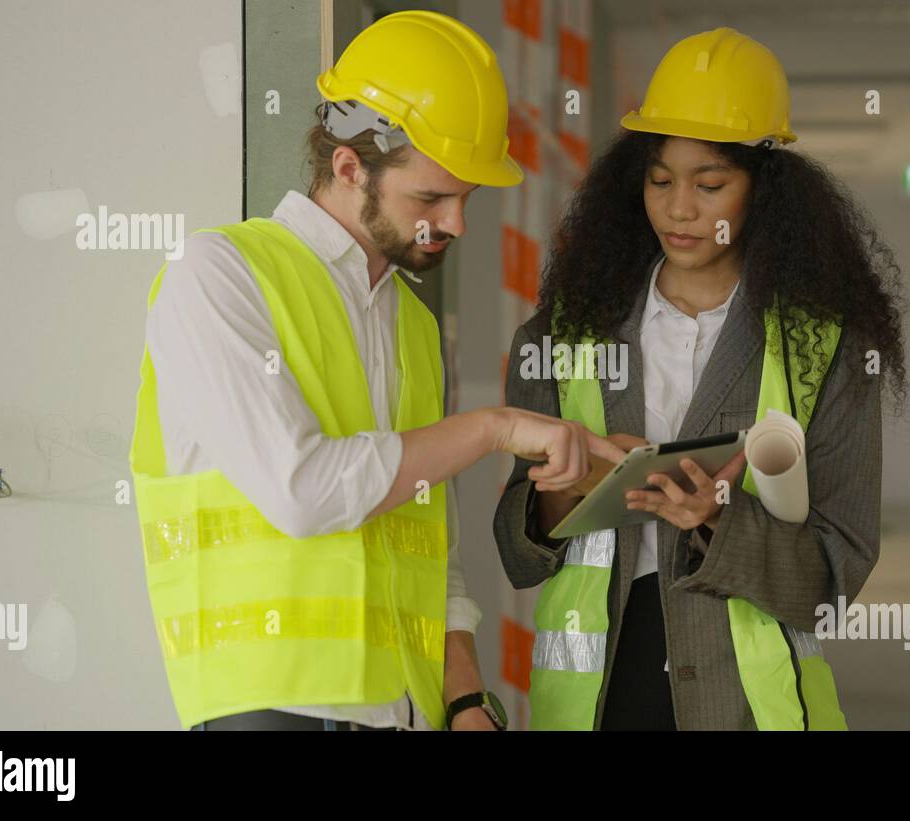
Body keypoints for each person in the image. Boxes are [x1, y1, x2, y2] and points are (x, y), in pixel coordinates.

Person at [128, 10, 614, 732]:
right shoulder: (219, 274)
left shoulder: (413, 326)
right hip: (270, 708)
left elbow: (427, 541)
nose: (455, 224)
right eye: (430, 198)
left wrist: (465, 696)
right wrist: (492, 427)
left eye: (466, 199)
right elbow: (303, 492)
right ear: (349, 166)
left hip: (405, 711)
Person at [493, 26, 908, 730]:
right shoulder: (561, 337)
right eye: (660, 180)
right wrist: (565, 489)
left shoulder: (826, 351)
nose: (678, 208)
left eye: (709, 184)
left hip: (748, 708)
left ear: (764, 191)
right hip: (597, 703)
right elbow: (517, 552)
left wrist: (717, 517)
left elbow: (832, 581)